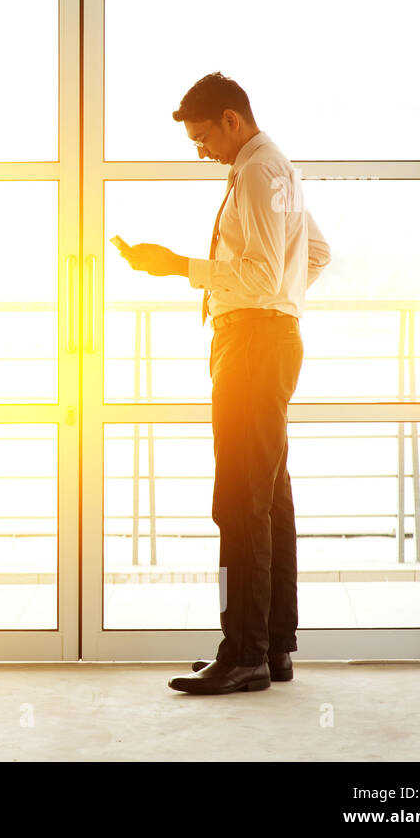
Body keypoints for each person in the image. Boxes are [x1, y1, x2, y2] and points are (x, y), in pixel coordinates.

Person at [119, 72, 331, 695]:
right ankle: (273, 647)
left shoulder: (260, 172)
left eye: (204, 137)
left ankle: (243, 654)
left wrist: (180, 267)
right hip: (269, 338)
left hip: (252, 345)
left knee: (240, 498)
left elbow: (264, 272)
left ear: (233, 120)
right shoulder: (275, 168)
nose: (201, 150)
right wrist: (282, 304)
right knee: (269, 496)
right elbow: (314, 255)